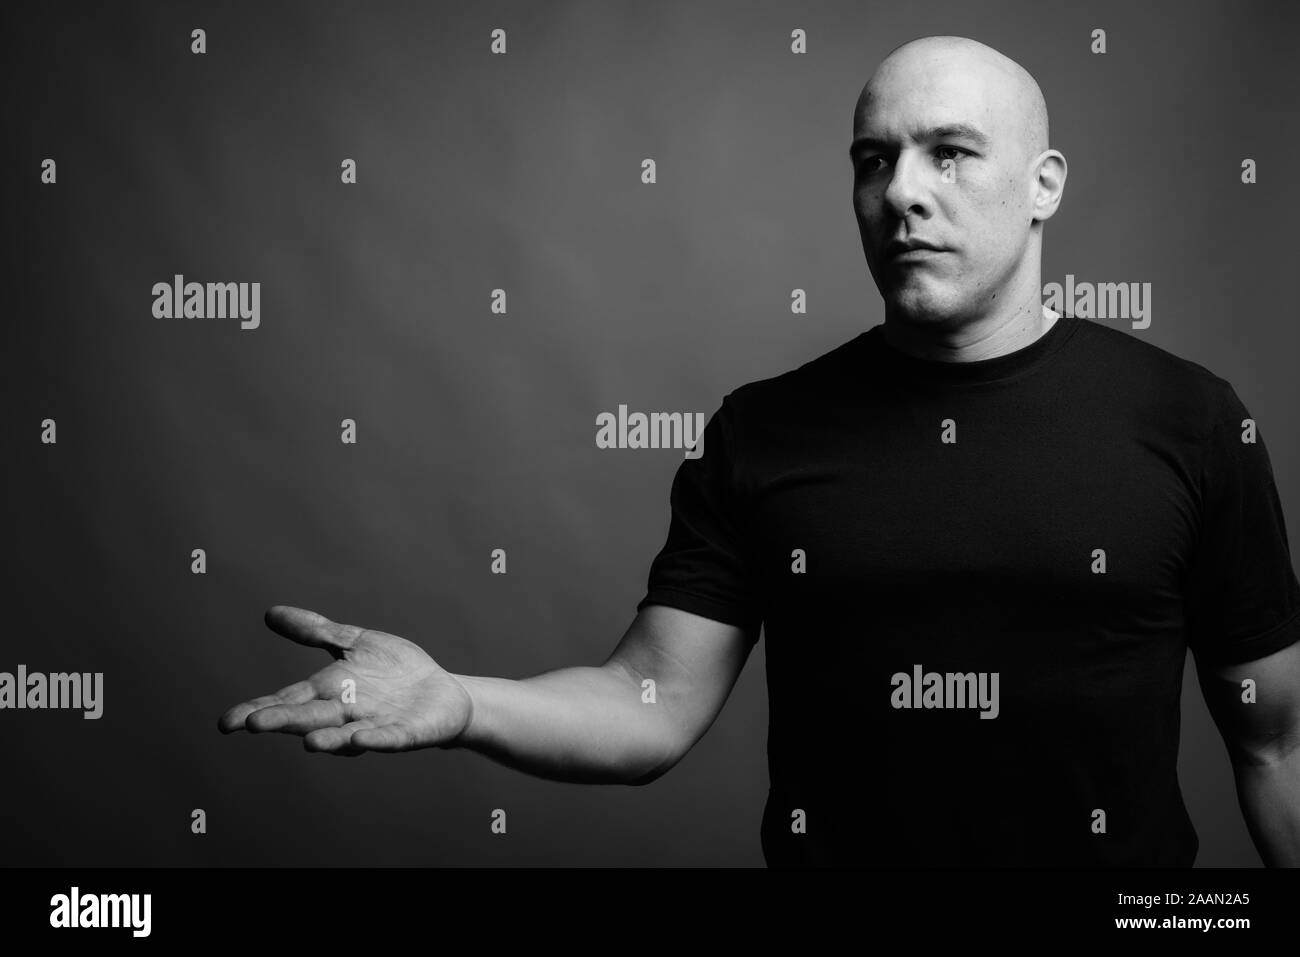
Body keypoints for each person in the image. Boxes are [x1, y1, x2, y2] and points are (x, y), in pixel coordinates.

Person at [218, 35, 1300, 867]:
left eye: (951, 154)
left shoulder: (1189, 420)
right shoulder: (767, 431)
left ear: (1044, 186)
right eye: (874, 160)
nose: (903, 192)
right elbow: (651, 703)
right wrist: (461, 701)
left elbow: (1276, 744)